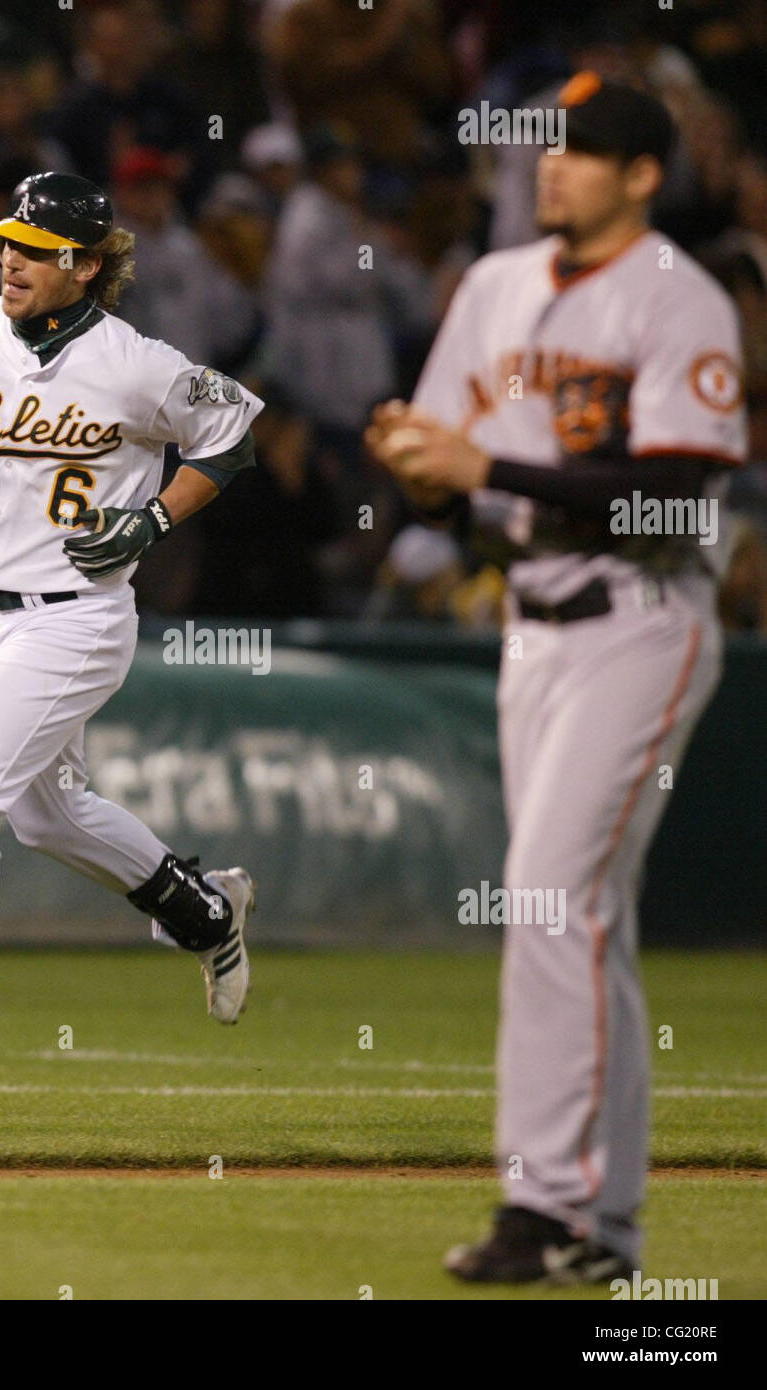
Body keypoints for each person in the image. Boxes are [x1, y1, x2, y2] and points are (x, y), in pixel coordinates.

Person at [365, 75, 747, 1283]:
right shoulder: (491, 285)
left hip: (637, 619)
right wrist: (421, 468)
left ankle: (544, 1207)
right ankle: (609, 1231)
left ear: (642, 174)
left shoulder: (676, 299)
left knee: (545, 898)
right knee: (587, 922)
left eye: (584, 151)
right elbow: (454, 480)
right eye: (547, 146)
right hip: (528, 624)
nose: (551, 166)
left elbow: (676, 494)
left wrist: (486, 467)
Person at [0, 172, 262, 1115]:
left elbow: (233, 429)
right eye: (8, 243)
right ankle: (203, 908)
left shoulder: (134, 361)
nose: (11, 260)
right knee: (44, 815)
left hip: (76, 615)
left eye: (34, 249)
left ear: (84, 264)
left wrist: (154, 519)